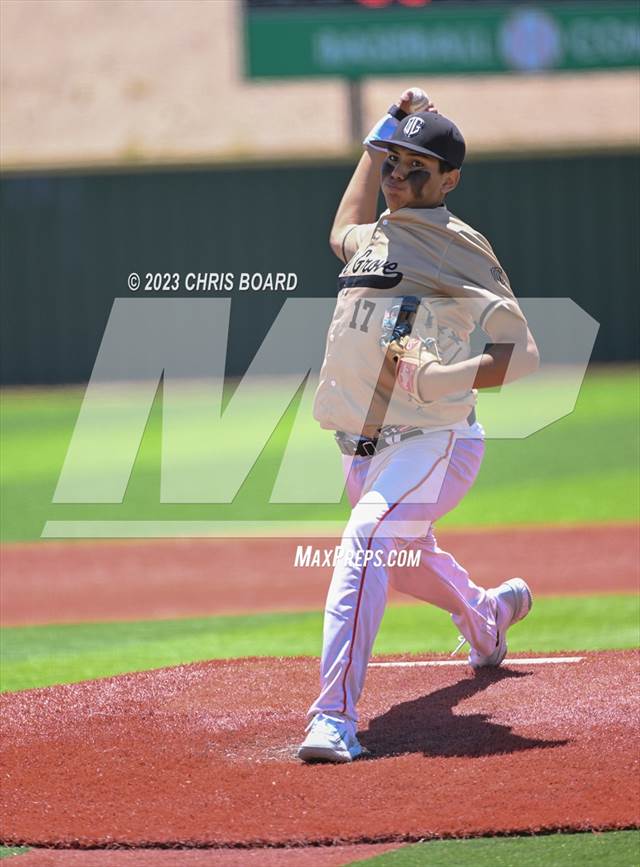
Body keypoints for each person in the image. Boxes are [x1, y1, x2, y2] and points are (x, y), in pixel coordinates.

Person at [297, 90, 540, 763]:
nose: (399, 177)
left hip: (436, 441)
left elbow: (523, 354)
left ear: (450, 180)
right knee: (405, 563)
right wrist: (374, 145)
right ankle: (487, 617)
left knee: (369, 537)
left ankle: (334, 717)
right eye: (393, 164)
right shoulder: (375, 233)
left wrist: (438, 379)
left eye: (417, 167)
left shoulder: (458, 247)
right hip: (365, 446)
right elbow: (339, 226)